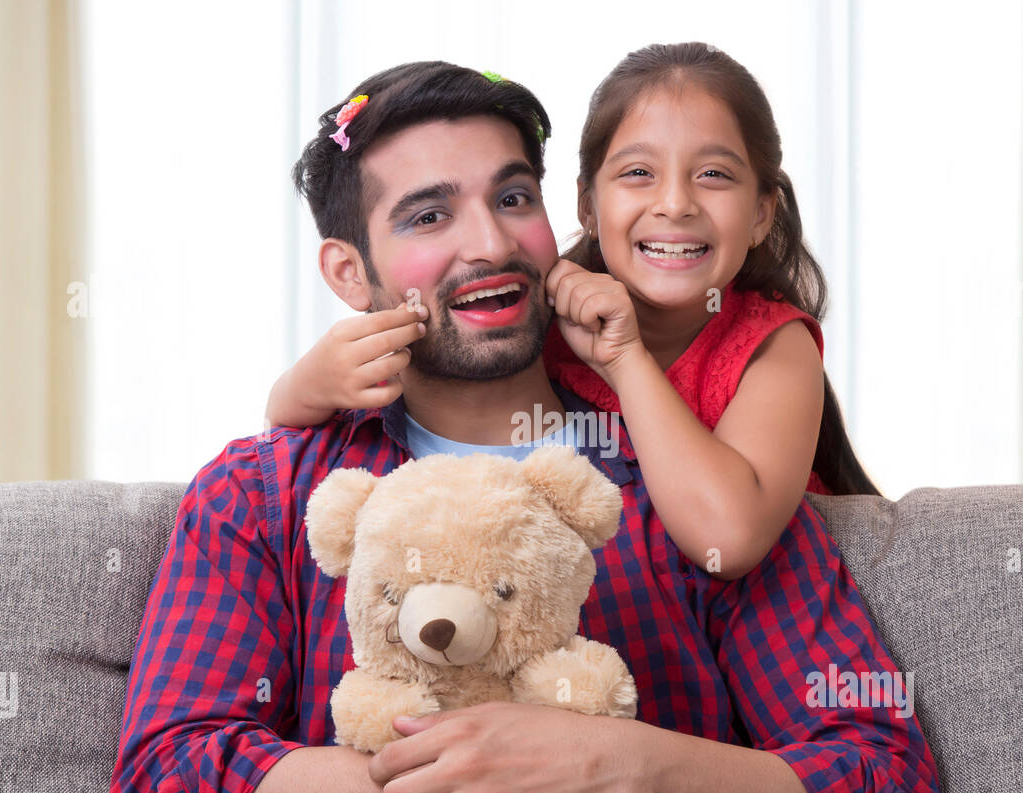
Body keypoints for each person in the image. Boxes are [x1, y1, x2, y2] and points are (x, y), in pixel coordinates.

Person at [111, 60, 942, 793]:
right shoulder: (262, 495)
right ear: (350, 273)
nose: (490, 243)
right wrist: (490, 787)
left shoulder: (688, 481)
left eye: (513, 198)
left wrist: (606, 767)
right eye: (428, 217)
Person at [265, 42, 881, 582]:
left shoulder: (771, 344)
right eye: (639, 173)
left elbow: (729, 541)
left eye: (714, 174)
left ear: (761, 214)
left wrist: (626, 358)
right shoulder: (539, 308)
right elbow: (279, 440)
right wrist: (305, 384)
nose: (674, 204)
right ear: (587, 205)